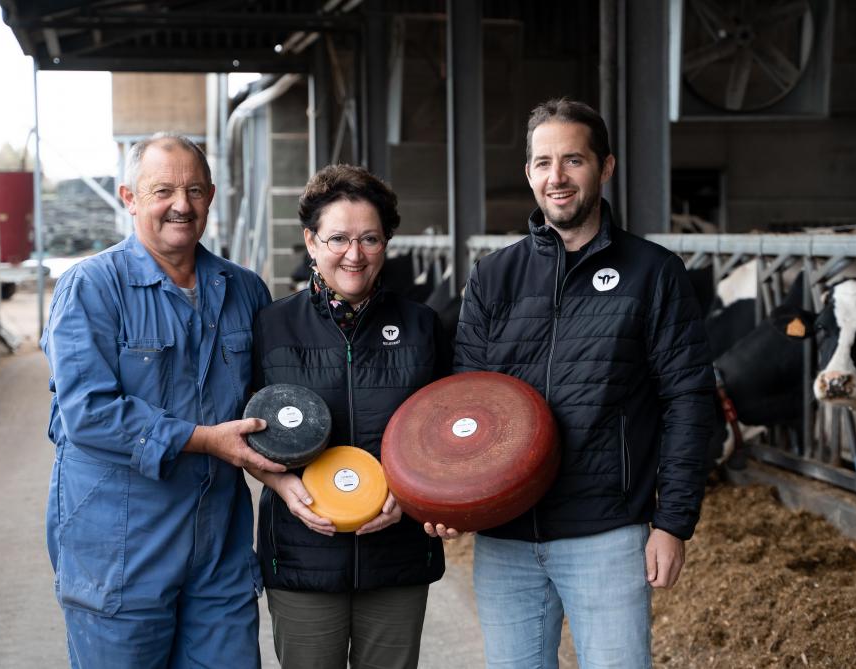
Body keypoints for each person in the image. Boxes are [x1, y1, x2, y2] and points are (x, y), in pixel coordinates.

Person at [429, 98, 716, 667]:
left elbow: (687, 399)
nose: (556, 178)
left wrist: (674, 522)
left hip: (606, 533)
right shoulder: (495, 275)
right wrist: (451, 497)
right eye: (542, 163)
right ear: (529, 173)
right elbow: (466, 400)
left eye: (573, 161)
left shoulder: (654, 272)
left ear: (605, 167)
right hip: (506, 538)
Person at [42, 132, 284, 668]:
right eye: (163, 190)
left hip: (217, 540)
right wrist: (206, 440)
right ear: (129, 197)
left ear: (212, 196)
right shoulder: (92, 287)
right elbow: (89, 413)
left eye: (195, 190)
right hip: (121, 544)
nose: (181, 204)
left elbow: (270, 404)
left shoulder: (243, 289)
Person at [249, 164, 449, 669]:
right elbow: (244, 431)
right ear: (311, 242)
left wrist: (411, 497)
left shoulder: (424, 326)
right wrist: (279, 486)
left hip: (397, 556)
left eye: (370, 239)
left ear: (387, 243)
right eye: (338, 238)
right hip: (302, 556)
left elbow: (444, 437)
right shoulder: (270, 327)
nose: (354, 255)